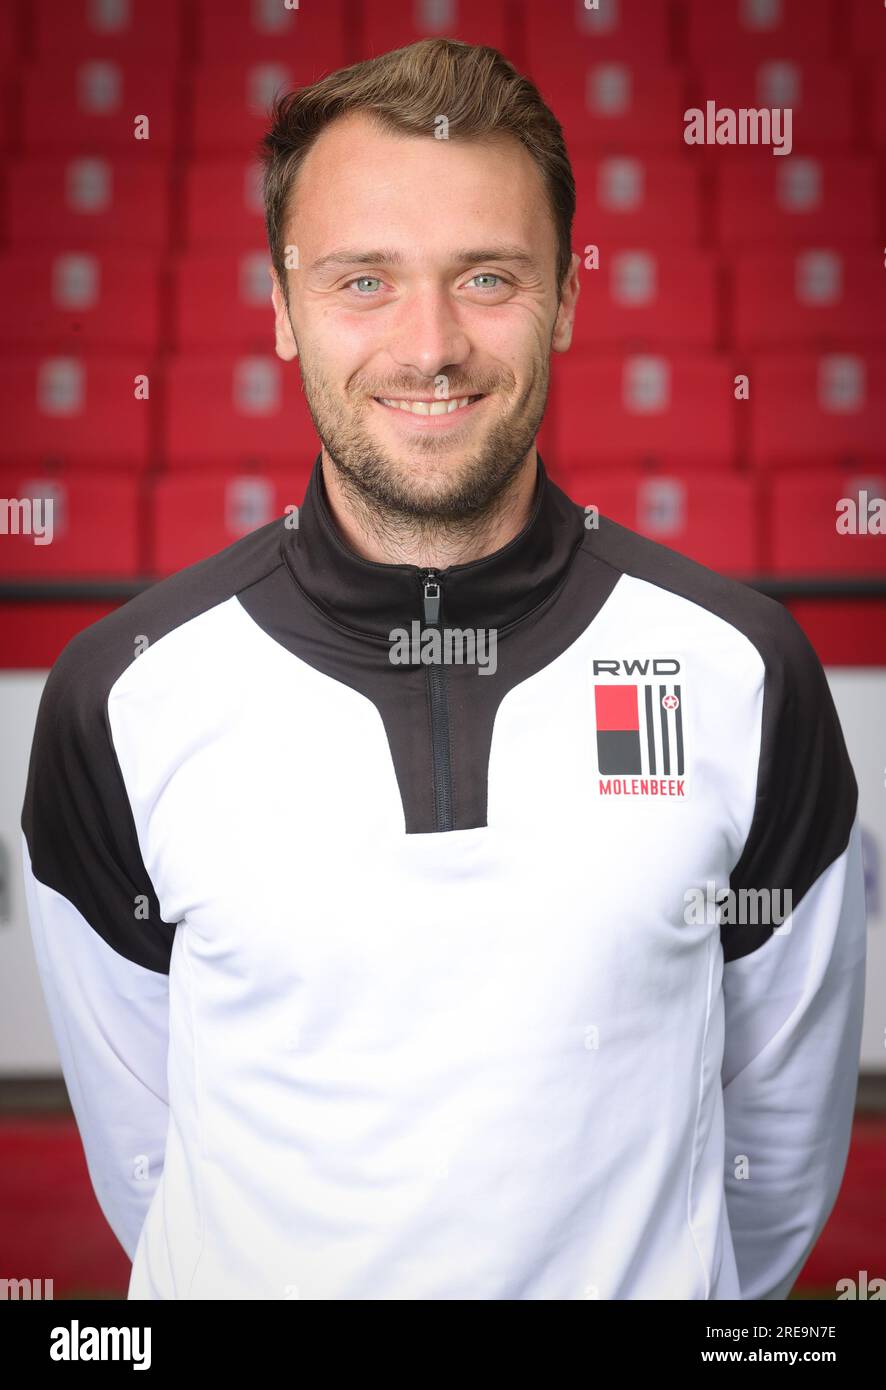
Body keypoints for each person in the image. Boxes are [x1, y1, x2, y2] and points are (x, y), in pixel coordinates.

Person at [20, 38, 866, 1300]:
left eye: (486, 276)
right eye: (365, 279)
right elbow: (149, 1149)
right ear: (282, 303)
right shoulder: (121, 694)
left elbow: (780, 1155)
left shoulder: (744, 670)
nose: (431, 346)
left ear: (568, 298)